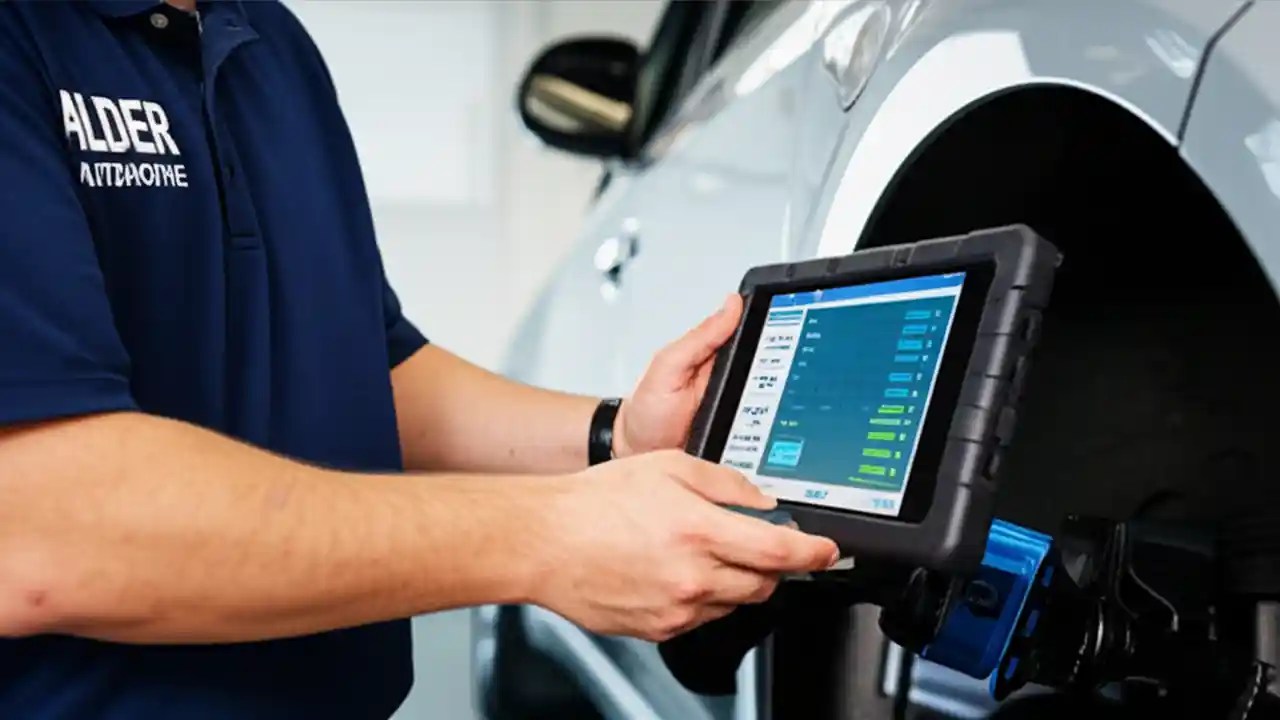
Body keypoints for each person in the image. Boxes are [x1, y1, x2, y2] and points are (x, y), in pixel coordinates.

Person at [0, 1, 839, 718]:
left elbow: (368, 368)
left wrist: (613, 435)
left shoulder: (268, 43)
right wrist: (545, 538)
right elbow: (40, 529)